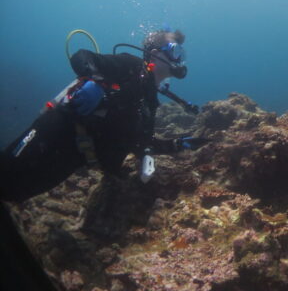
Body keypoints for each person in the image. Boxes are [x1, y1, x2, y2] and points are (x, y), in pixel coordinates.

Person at [0, 28, 207, 202]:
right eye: (175, 50)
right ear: (154, 53)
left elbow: (140, 143)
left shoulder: (150, 100)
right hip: (55, 133)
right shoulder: (130, 65)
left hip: (72, 160)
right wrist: (96, 81)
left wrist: (176, 145)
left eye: (181, 54)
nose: (178, 59)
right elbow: (82, 56)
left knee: (14, 194)